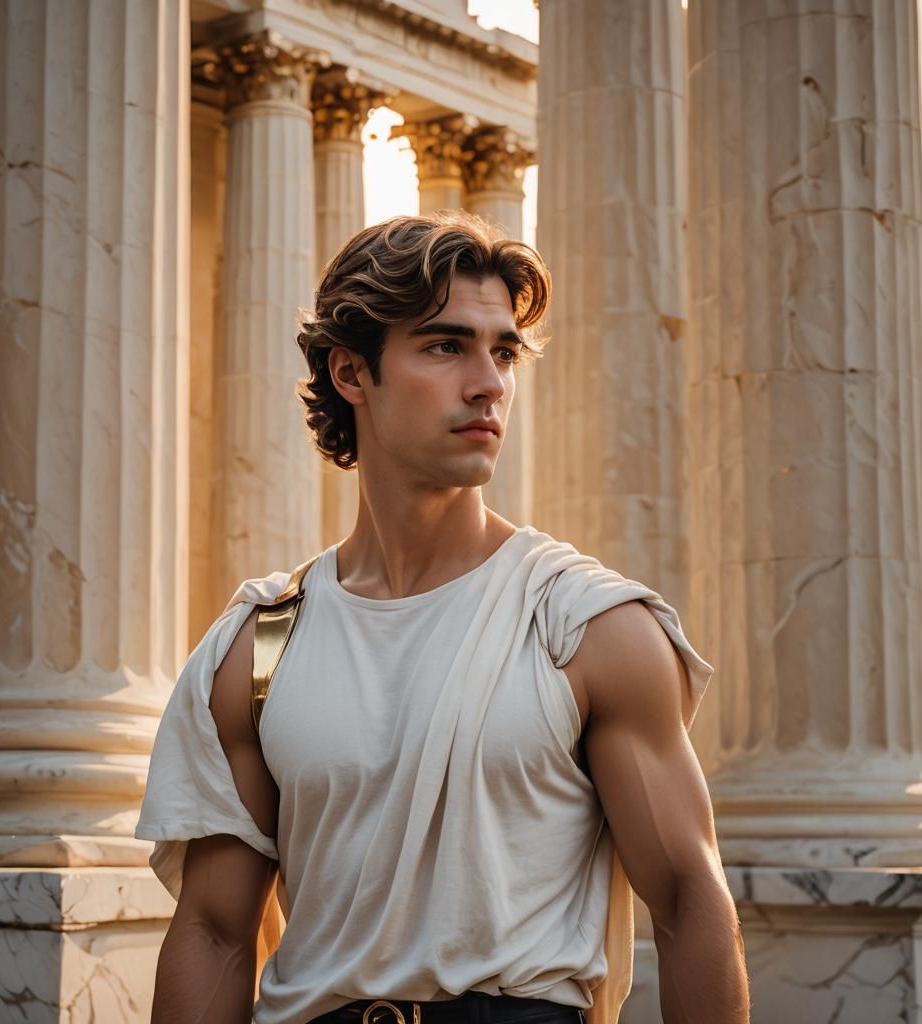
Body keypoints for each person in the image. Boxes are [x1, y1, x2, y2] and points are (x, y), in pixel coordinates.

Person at [137, 213, 750, 1024]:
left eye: (502, 352)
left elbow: (686, 900)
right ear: (352, 372)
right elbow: (216, 932)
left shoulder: (585, 626)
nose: (488, 382)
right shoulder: (261, 645)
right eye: (444, 345)